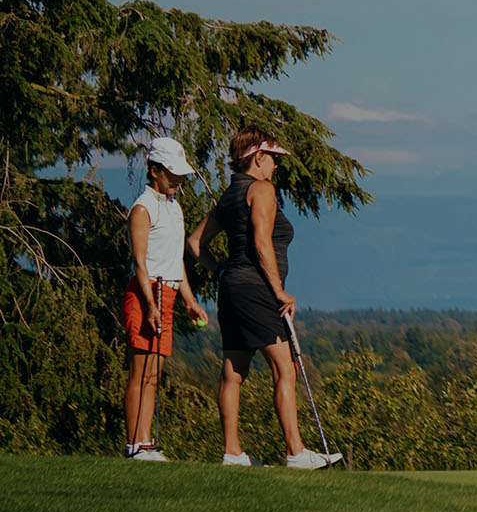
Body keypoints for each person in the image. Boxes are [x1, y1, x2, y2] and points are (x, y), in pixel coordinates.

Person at [188, 128, 340, 469]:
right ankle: (296, 452)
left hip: (232, 289)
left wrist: (221, 273)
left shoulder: (230, 195)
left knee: (233, 371)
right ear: (258, 157)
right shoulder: (262, 190)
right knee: (285, 369)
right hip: (258, 289)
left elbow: (195, 244)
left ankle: (232, 453)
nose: (275, 165)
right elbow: (261, 244)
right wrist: (279, 292)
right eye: (273, 158)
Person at [122, 137, 210, 461]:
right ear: (154, 170)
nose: (178, 181)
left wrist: (189, 300)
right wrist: (150, 305)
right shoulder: (142, 208)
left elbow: (177, 261)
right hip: (146, 295)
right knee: (140, 371)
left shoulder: (175, 208)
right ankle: (136, 443)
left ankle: (146, 442)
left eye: (180, 175)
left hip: (169, 293)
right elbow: (140, 262)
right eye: (171, 174)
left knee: (154, 374)